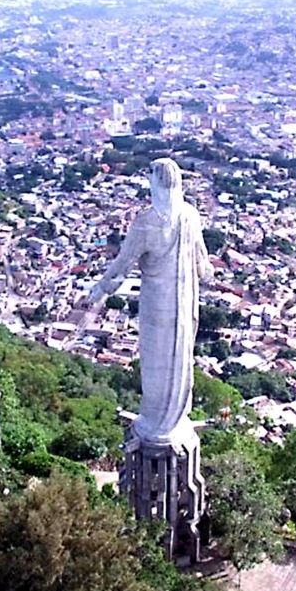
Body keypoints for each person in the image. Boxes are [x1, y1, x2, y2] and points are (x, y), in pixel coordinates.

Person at [87, 158, 213, 444]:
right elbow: (203, 263)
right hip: (185, 301)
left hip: (158, 304)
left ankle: (157, 419)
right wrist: (207, 272)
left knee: (156, 360)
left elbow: (123, 263)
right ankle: (172, 416)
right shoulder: (191, 216)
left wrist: (101, 289)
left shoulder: (146, 222)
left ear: (155, 184)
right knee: (180, 357)